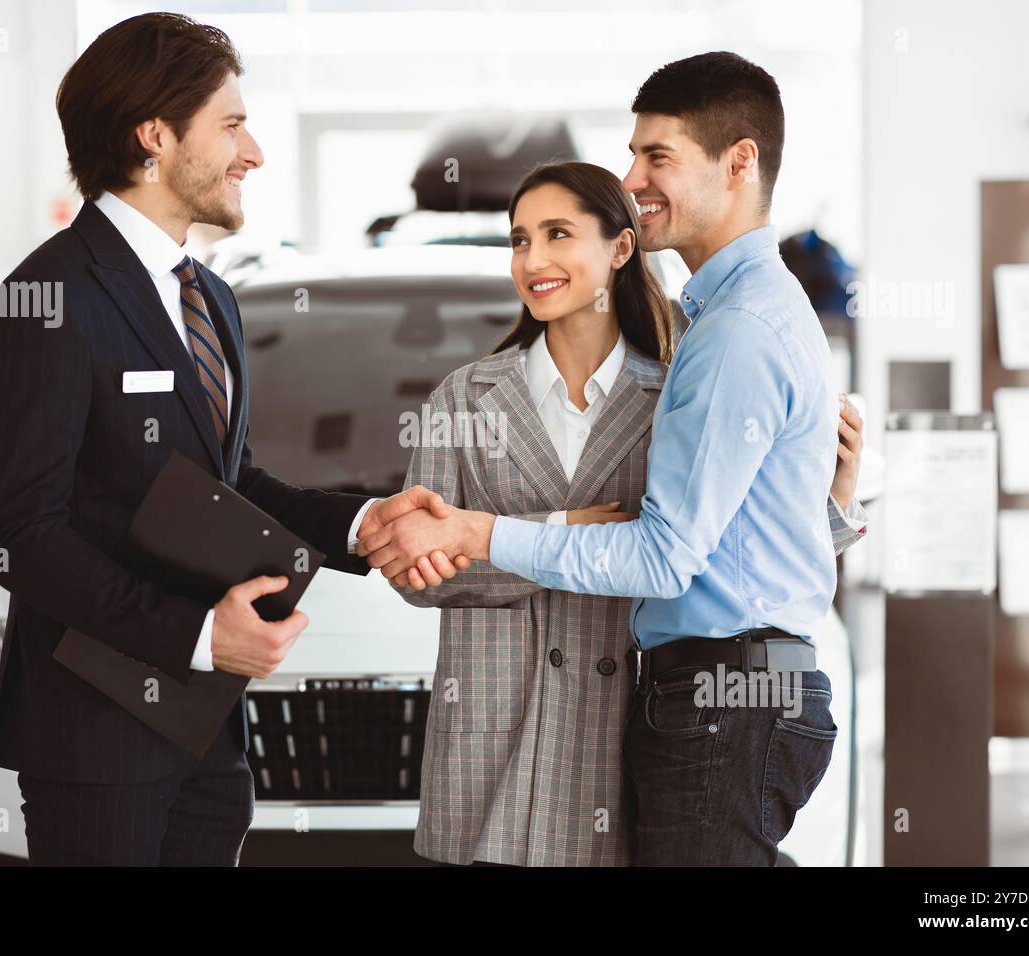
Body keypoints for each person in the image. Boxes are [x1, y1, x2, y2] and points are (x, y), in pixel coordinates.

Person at [0, 13, 450, 866]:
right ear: (154, 136)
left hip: (206, 737)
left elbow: (232, 481)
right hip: (97, 746)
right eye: (231, 124)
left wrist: (359, 524)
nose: (253, 152)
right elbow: (20, 539)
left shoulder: (209, 298)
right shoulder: (43, 303)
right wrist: (194, 635)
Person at [360, 52, 866, 866]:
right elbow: (736, 541)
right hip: (528, 735)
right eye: (519, 239)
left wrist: (486, 532)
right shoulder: (470, 395)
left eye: (655, 156)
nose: (633, 175)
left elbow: (673, 555)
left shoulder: (704, 354)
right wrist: (824, 505)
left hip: (690, 705)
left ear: (623, 250)